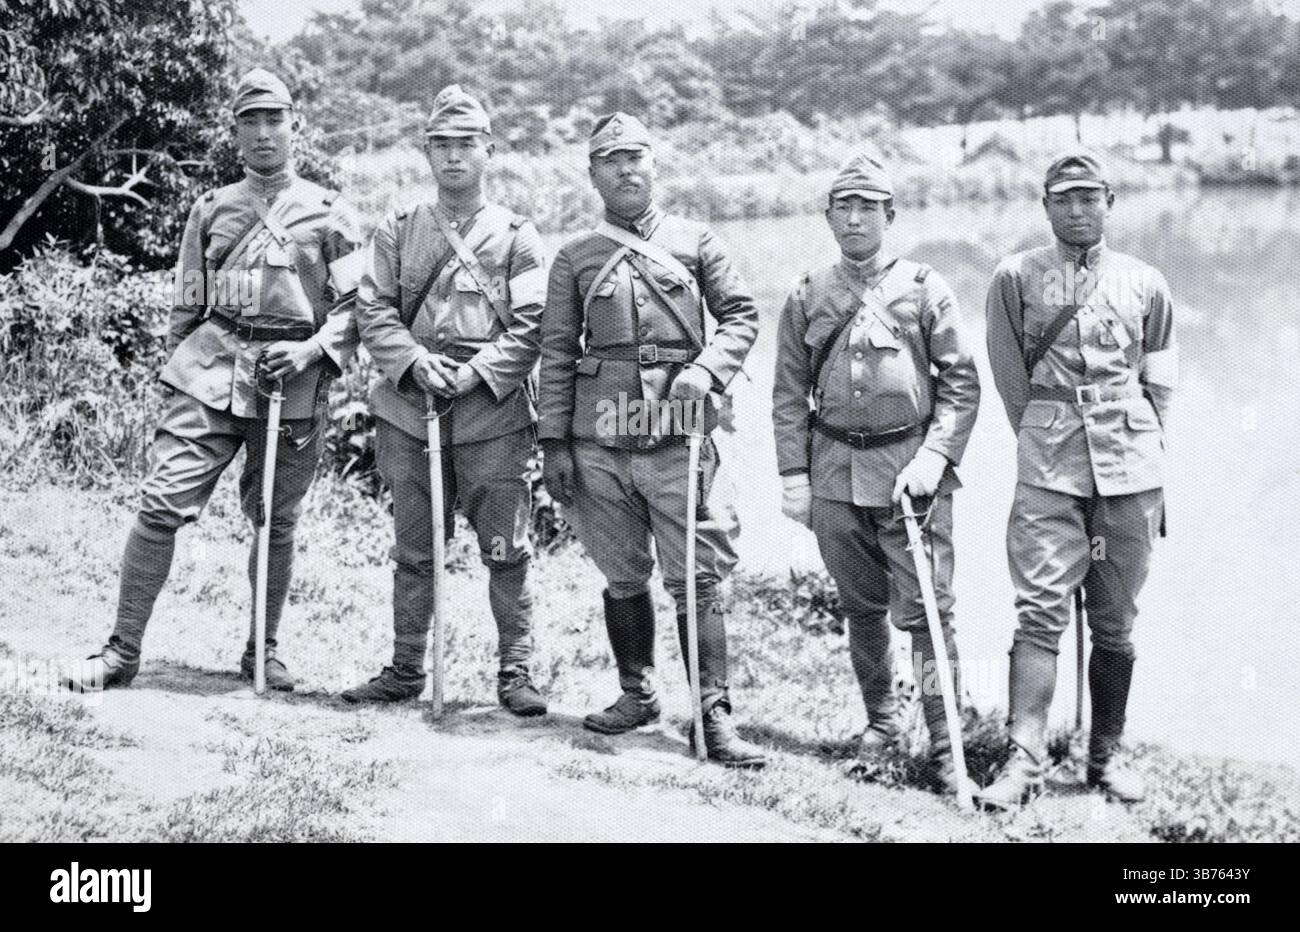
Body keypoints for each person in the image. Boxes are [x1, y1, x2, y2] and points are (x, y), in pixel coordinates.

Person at [66, 68, 363, 693]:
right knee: (160, 504)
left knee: (275, 520)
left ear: (294, 127)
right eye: (249, 121)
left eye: (273, 120)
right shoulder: (212, 210)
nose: (262, 134)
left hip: (293, 385)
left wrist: (311, 350)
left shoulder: (331, 214)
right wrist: (176, 375)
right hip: (210, 373)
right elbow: (188, 303)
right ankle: (121, 650)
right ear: (233, 132)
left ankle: (264, 650)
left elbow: (358, 308)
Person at [537, 112, 765, 766]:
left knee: (696, 575)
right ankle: (637, 694)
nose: (625, 168)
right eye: (610, 159)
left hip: (678, 436)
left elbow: (743, 316)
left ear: (655, 163)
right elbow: (555, 352)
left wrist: (705, 370)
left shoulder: (697, 242)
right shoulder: (574, 257)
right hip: (600, 440)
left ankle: (714, 718)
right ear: (593, 174)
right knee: (621, 572)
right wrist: (554, 443)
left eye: (635, 156)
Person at [771, 154, 981, 795]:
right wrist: (793, 477)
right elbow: (787, 393)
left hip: (908, 475)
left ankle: (948, 746)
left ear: (890, 216)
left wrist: (935, 458)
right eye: (844, 207)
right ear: (829, 216)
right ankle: (882, 725)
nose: (856, 218)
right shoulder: (808, 293)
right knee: (860, 607)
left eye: (869, 207)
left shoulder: (925, 288)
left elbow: (962, 383)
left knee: (927, 613)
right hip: (833, 475)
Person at [978, 149, 1175, 808]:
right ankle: (1023, 763)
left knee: (1116, 621)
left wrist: (1152, 458)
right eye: (1064, 198)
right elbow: (1010, 379)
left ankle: (1103, 757)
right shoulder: (1015, 277)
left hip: (1130, 469)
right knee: (1038, 612)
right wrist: (1043, 438)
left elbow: (1160, 381)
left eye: (1090, 197)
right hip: (1049, 466)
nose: (1077, 209)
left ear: (1110, 203)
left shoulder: (1146, 282)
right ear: (1046, 207)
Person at [344, 85, 548, 716]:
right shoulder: (397, 230)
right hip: (409, 411)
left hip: (492, 415)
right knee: (415, 547)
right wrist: (412, 361)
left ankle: (514, 672)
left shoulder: (518, 236)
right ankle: (407, 668)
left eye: (467, 145)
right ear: (427, 154)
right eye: (442, 146)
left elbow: (534, 323)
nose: (455, 157)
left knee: (505, 549)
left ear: (489, 151)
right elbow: (371, 308)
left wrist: (478, 371)